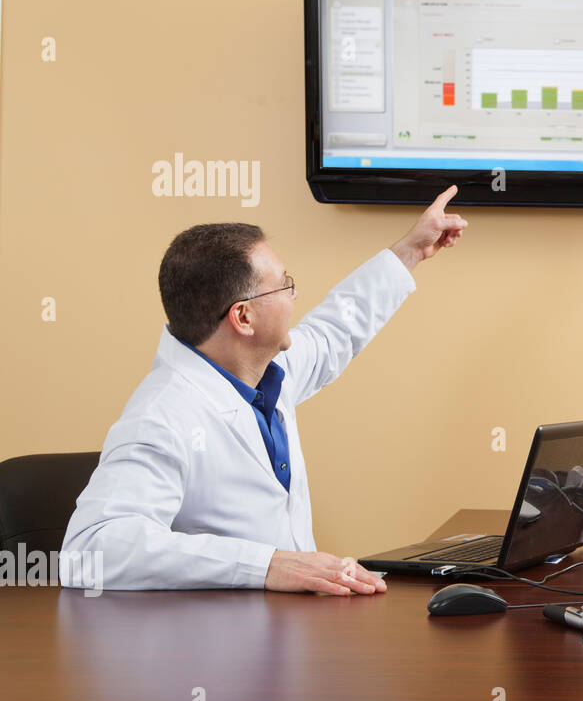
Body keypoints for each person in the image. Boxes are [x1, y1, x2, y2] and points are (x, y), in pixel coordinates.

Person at [60, 186, 467, 595]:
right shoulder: (164, 414)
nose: (295, 295)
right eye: (284, 285)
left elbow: (334, 330)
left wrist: (411, 250)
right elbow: (90, 551)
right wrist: (266, 564)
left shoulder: (261, 372)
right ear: (243, 317)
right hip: (218, 648)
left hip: (292, 632)